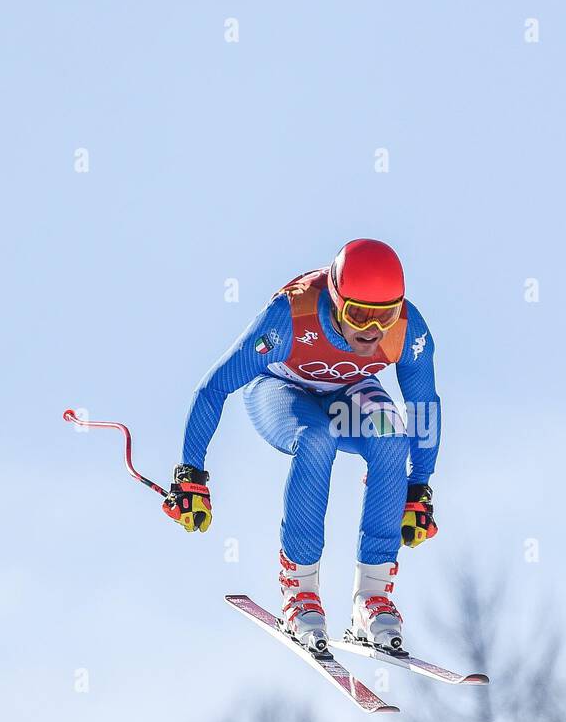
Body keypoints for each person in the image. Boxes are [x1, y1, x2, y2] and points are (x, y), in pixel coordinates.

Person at [163, 239, 440, 654]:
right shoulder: (290, 317)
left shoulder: (407, 330)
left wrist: (419, 487)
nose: (371, 331)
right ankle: (300, 589)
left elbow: (423, 407)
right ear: (334, 299)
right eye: (358, 314)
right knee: (315, 440)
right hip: (281, 387)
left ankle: (373, 597)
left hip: (349, 390)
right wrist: (191, 475)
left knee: (392, 439)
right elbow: (215, 386)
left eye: (384, 316)